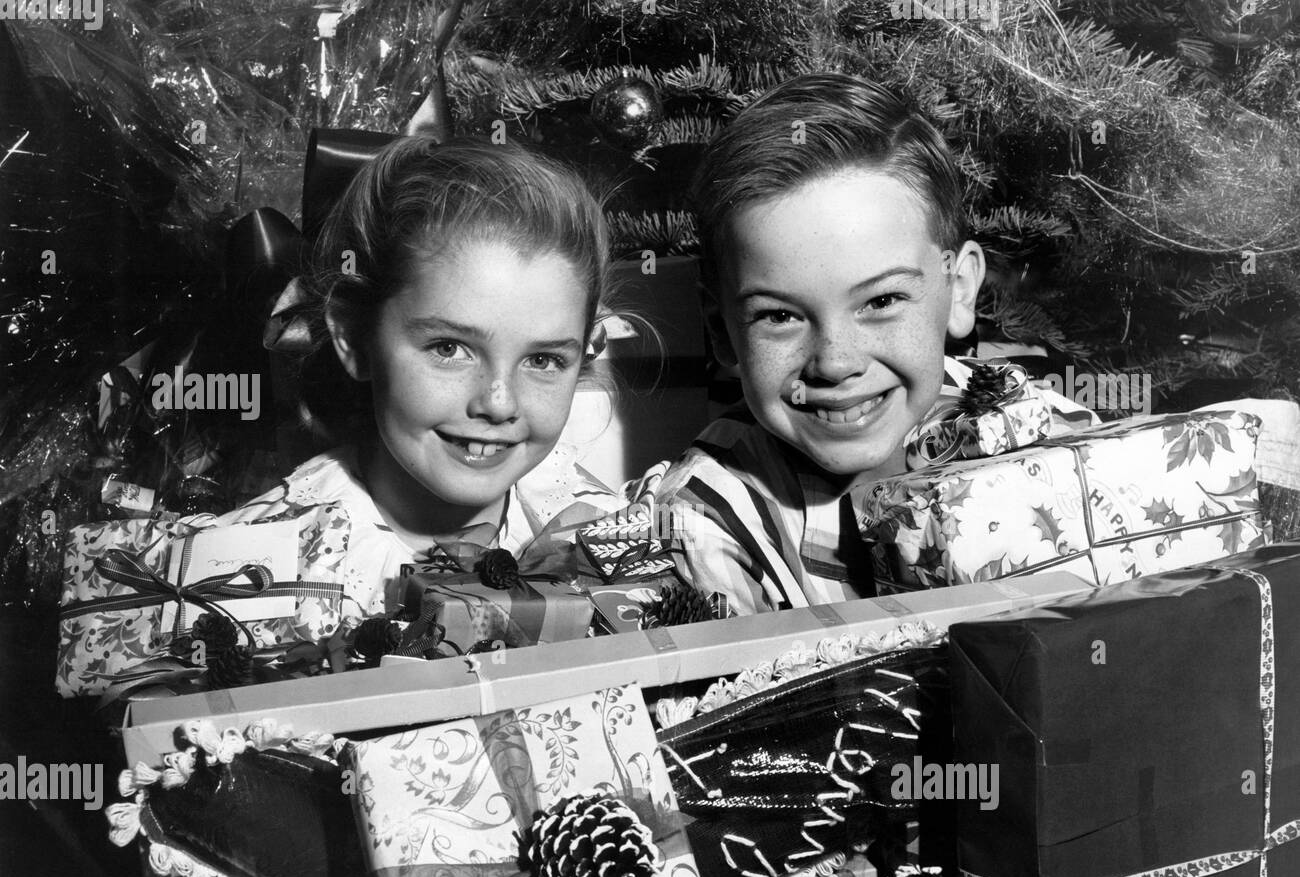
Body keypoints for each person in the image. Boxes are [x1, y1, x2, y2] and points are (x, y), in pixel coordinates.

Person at [644, 73, 1096, 614]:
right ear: (723, 334)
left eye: (880, 302)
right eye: (780, 316)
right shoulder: (707, 520)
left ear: (958, 290)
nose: (835, 363)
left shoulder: (1046, 434)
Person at [234, 134, 638, 615]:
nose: (499, 403)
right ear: (354, 336)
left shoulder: (618, 540)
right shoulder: (248, 575)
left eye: (543, 360)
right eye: (449, 349)